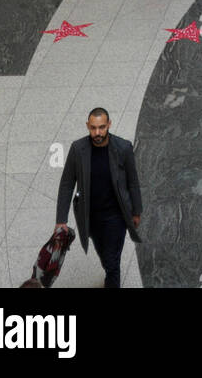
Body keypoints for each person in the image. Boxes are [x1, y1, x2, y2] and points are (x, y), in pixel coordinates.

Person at [55, 108, 142, 290]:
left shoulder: (123, 148)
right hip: (90, 217)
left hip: (115, 216)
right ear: (88, 126)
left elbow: (133, 182)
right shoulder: (78, 149)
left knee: (112, 262)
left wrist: (136, 211)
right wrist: (61, 220)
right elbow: (67, 184)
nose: (97, 133)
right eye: (93, 128)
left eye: (102, 127)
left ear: (109, 125)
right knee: (104, 254)